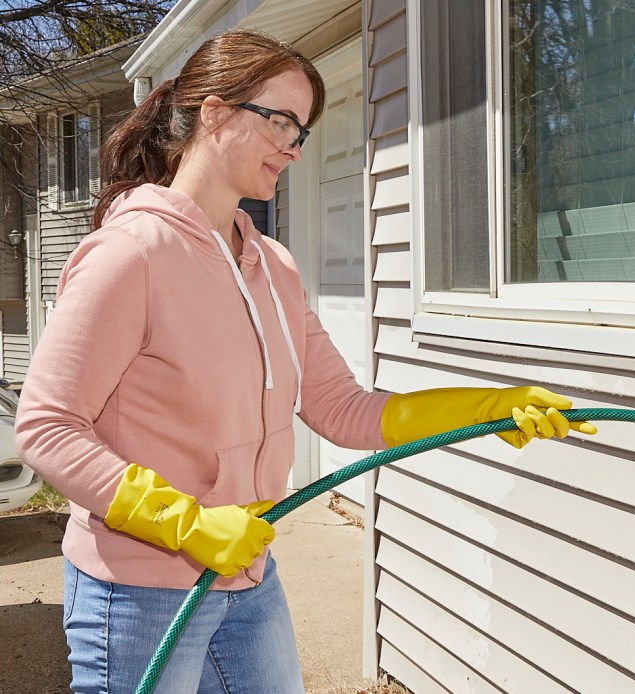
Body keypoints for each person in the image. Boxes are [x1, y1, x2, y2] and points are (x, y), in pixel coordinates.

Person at [13, 28, 596, 694]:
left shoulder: (272, 266)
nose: (294, 146)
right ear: (215, 114)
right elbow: (47, 427)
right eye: (281, 121)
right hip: (141, 592)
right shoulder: (132, 253)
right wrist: (184, 523)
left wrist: (488, 407)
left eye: (302, 130)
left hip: (247, 576)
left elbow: (342, 410)